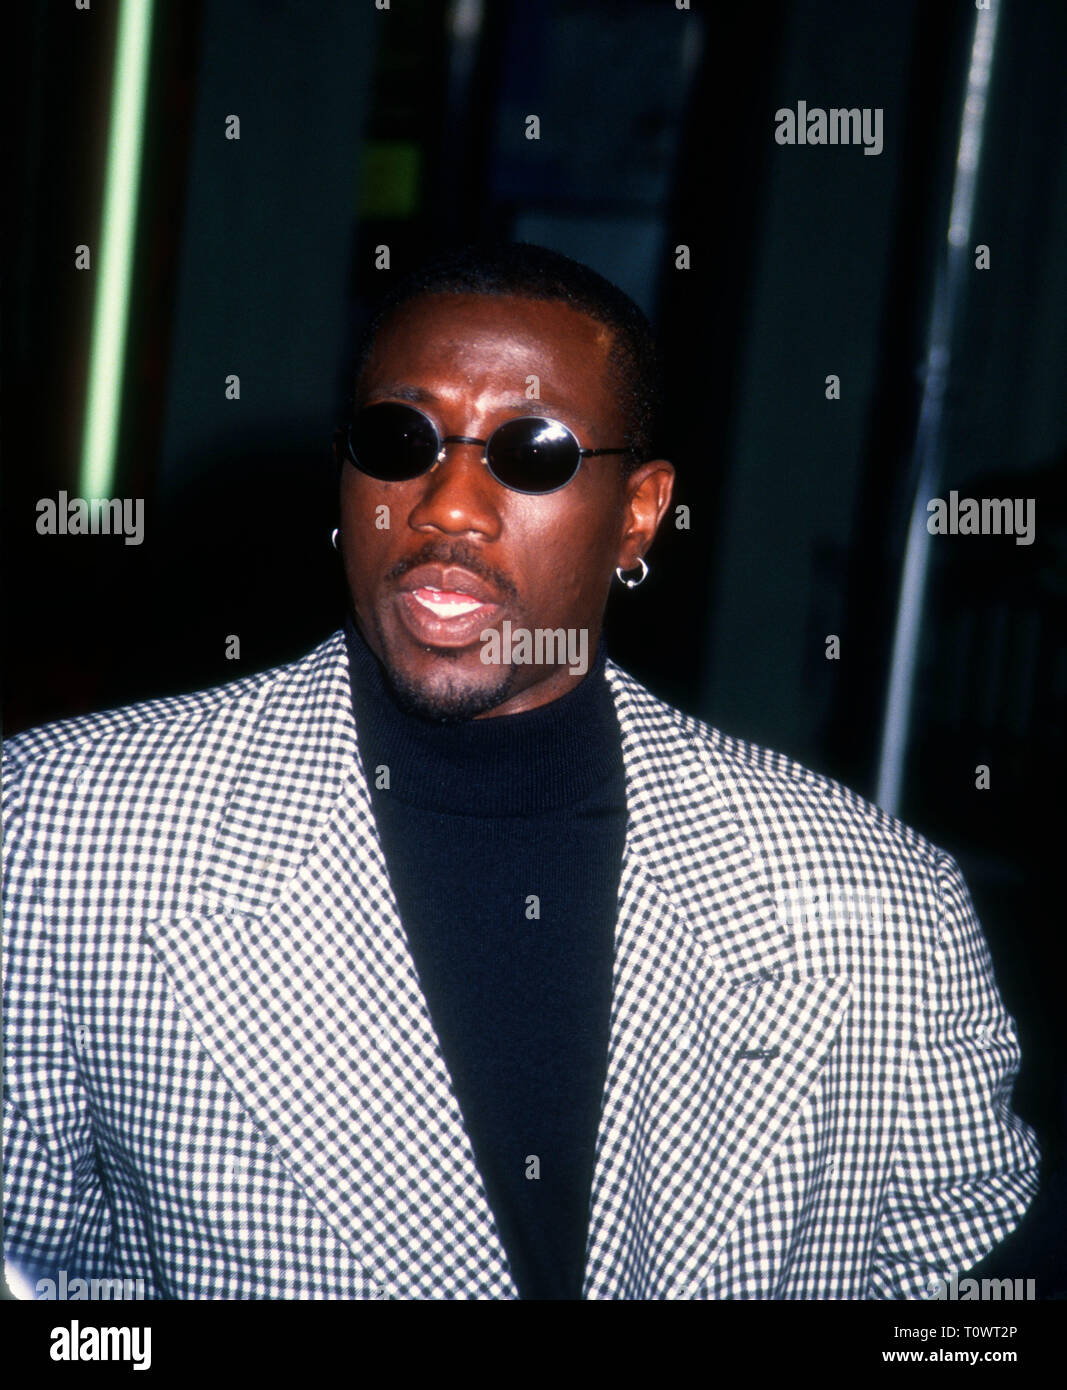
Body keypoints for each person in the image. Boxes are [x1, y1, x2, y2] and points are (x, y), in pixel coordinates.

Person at [2, 242, 1040, 1301]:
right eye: (399, 439)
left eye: (532, 450)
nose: (449, 504)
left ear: (638, 511)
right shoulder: (62, 832)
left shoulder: (878, 904)